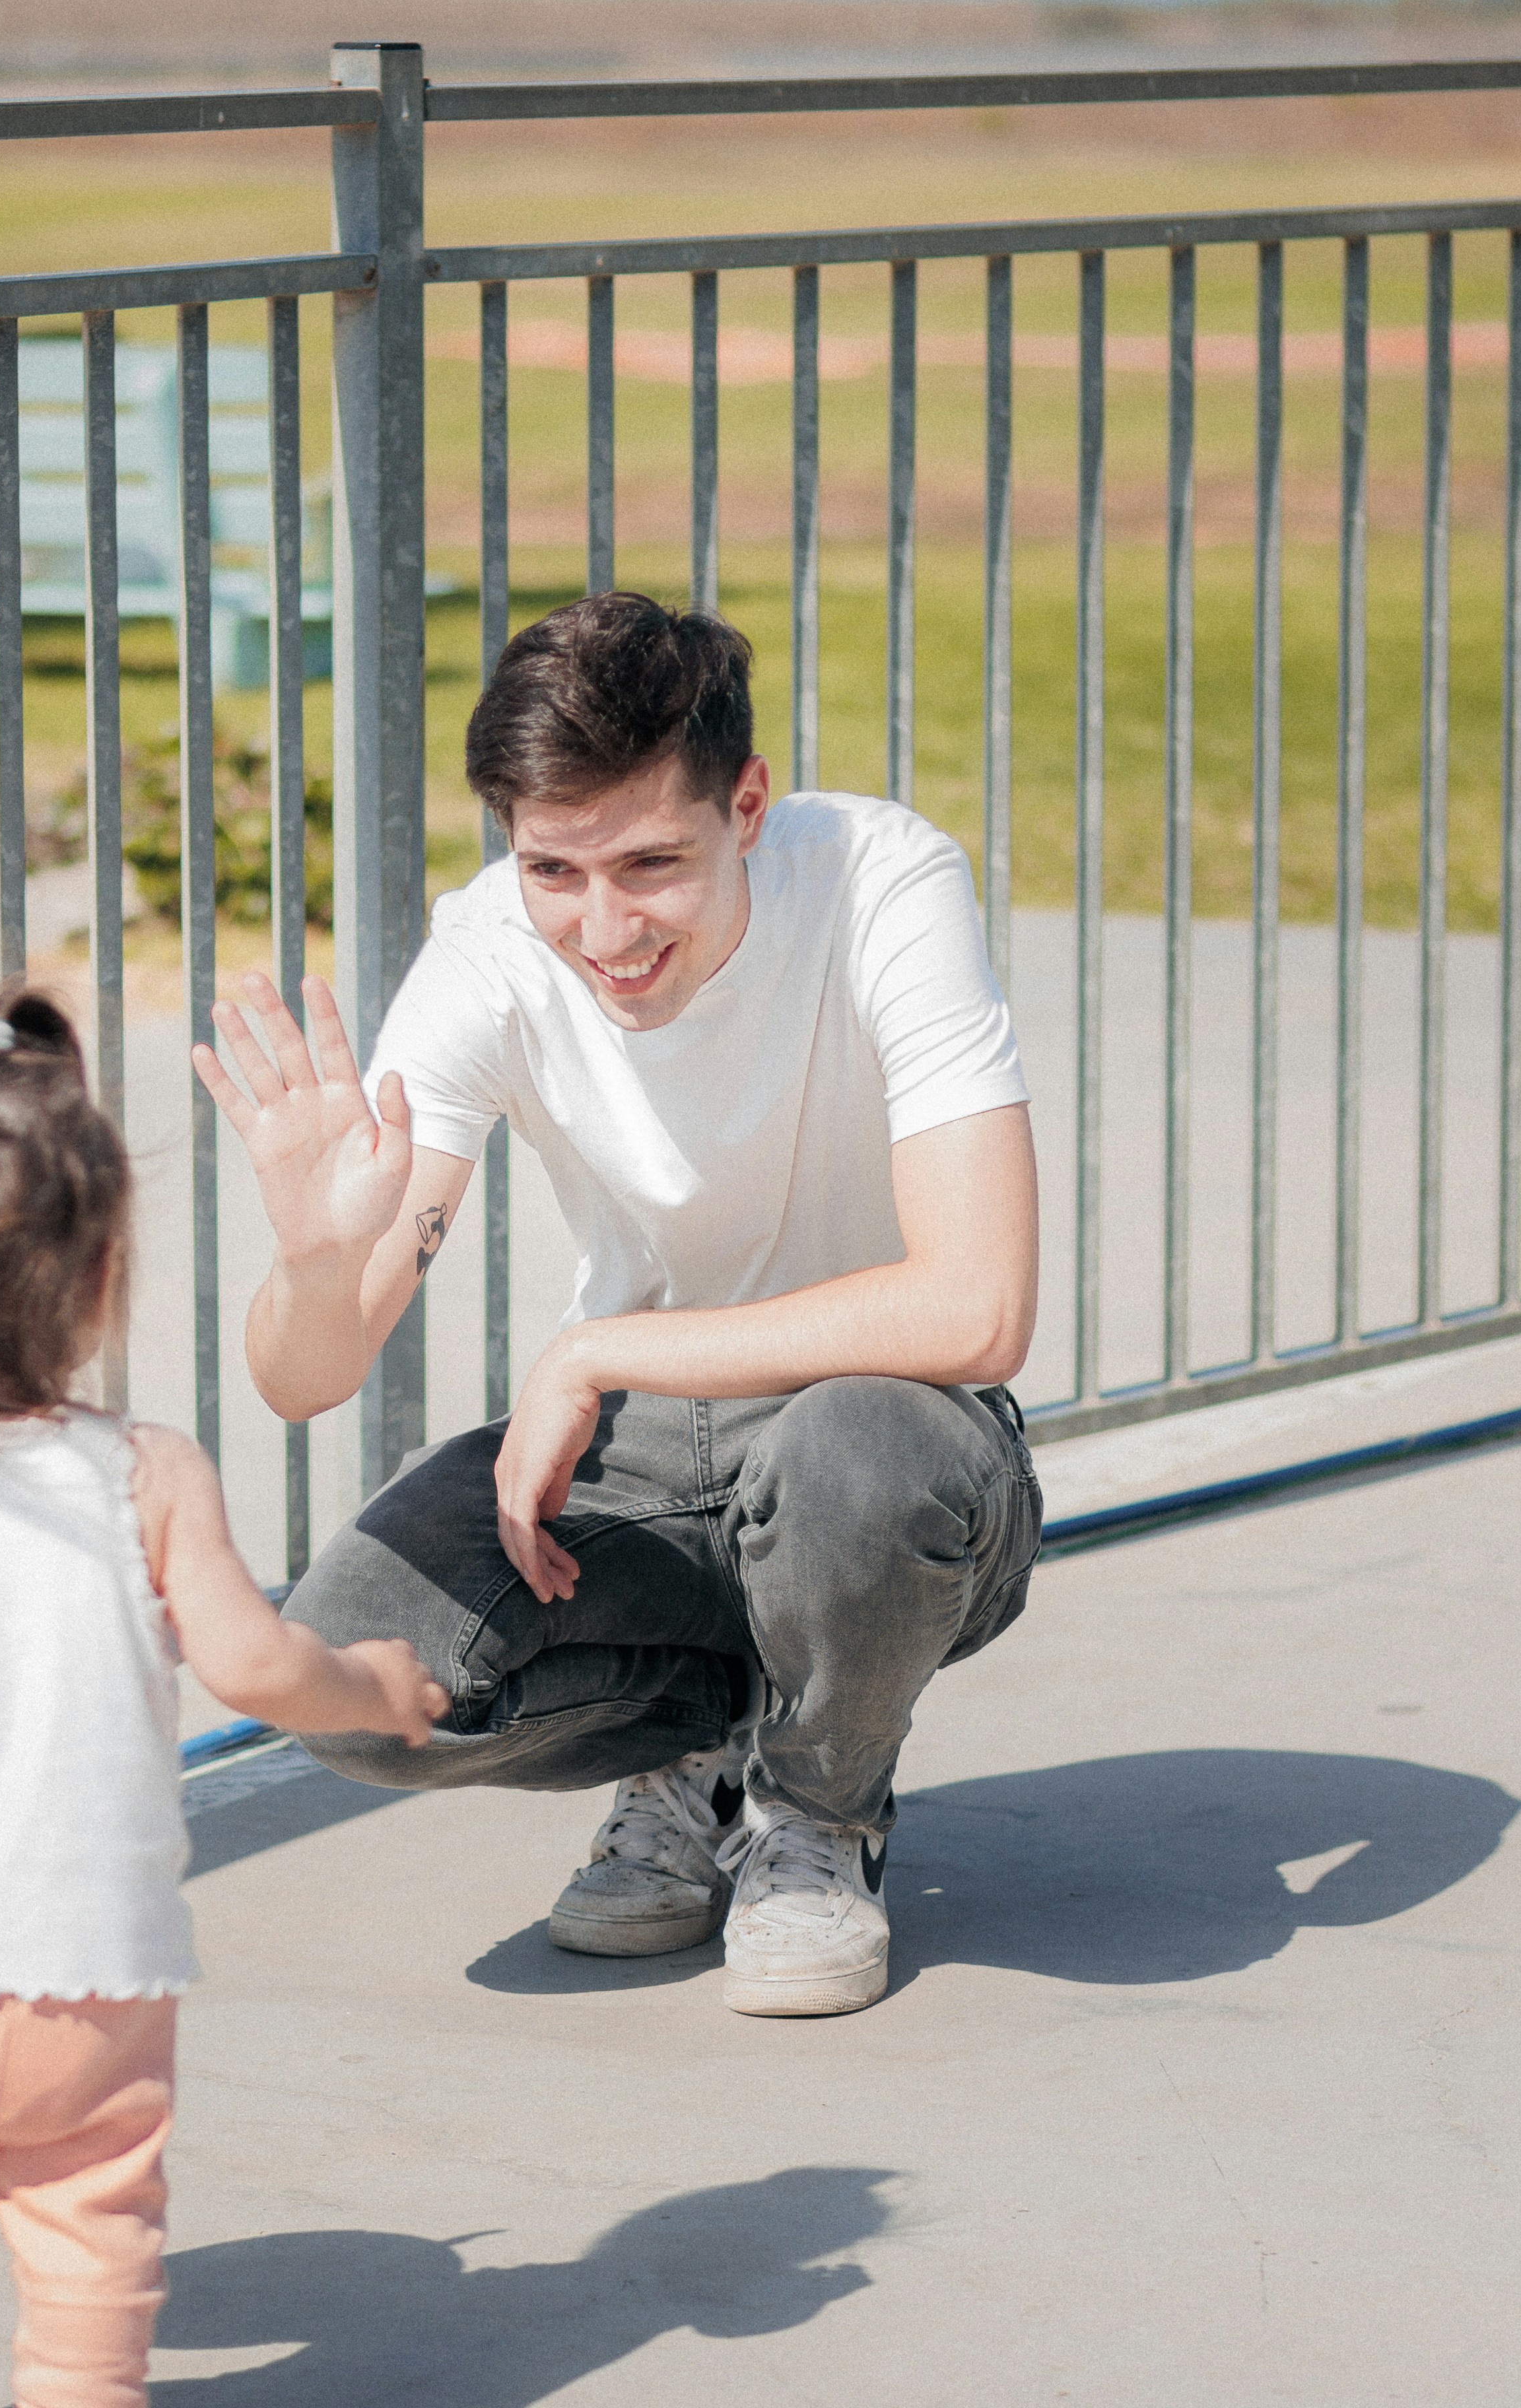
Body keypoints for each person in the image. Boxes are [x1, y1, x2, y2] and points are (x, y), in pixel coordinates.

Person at [189, 591, 1042, 2021]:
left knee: (855, 1459)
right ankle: (708, 1749)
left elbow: (979, 1306)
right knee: (343, 1670)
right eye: (555, 870)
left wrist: (597, 1351)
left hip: (898, 1443)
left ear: (750, 804)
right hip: (654, 1462)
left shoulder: (886, 881)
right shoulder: (489, 957)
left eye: (653, 862)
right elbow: (303, 1379)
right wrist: (317, 1259)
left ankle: (816, 1817)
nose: (606, 927)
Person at [0, 974, 448, 2408]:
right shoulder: (152, 1475)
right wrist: (368, 1683)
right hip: (95, 1981)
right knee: (86, 2233)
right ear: (108, 1284)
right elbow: (253, 1665)